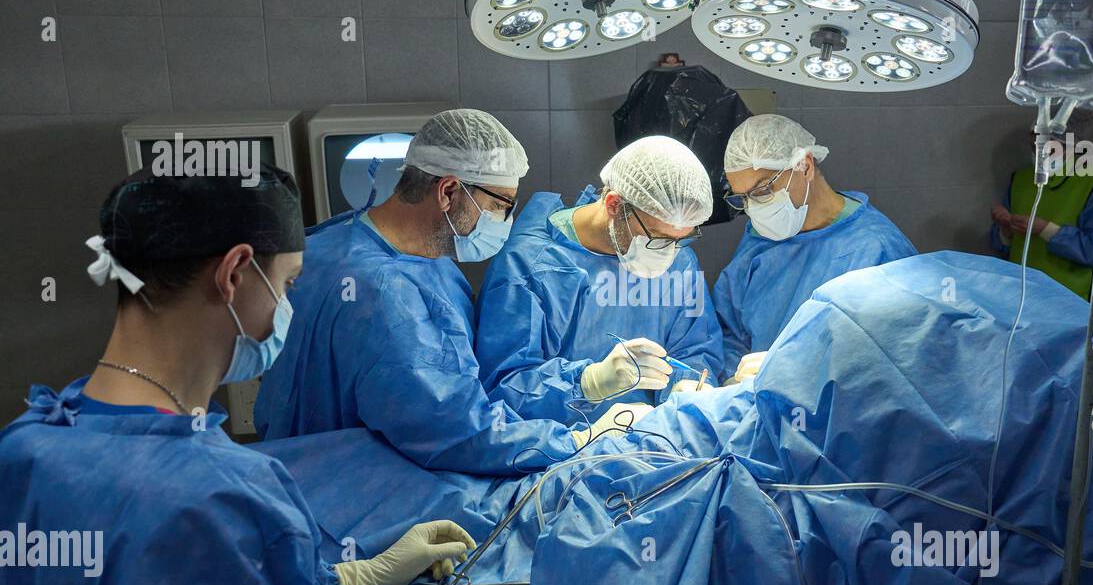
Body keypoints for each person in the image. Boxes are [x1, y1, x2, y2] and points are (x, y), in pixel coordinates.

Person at [0, 163, 471, 585]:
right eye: (289, 284)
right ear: (235, 274)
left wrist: (347, 579)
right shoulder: (229, 498)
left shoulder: (22, 450)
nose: (287, 308)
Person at [255, 110, 643, 473]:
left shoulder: (335, 242)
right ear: (449, 191)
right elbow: (452, 430)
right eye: (500, 204)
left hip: (294, 466)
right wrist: (576, 439)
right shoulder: (387, 294)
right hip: (353, 488)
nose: (505, 220)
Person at [474, 136, 723, 423]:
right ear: (614, 204)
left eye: (681, 238)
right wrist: (590, 383)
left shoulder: (679, 261)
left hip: (653, 444)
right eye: (657, 237)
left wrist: (685, 386)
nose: (668, 251)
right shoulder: (530, 267)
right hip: (560, 453)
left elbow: (697, 348)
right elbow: (504, 385)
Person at [712, 114, 917, 379]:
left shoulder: (878, 250)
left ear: (805, 166)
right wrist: (732, 382)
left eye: (762, 191)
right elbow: (730, 329)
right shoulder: (762, 239)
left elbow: (893, 363)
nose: (754, 209)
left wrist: (798, 372)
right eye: (744, 198)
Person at [988, 147, 1093, 300]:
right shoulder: (1021, 178)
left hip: (1068, 300)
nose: (1038, 144)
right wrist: (1006, 230)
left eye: (1047, 137)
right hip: (1019, 293)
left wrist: (1045, 230)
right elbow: (1003, 247)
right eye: (1034, 135)